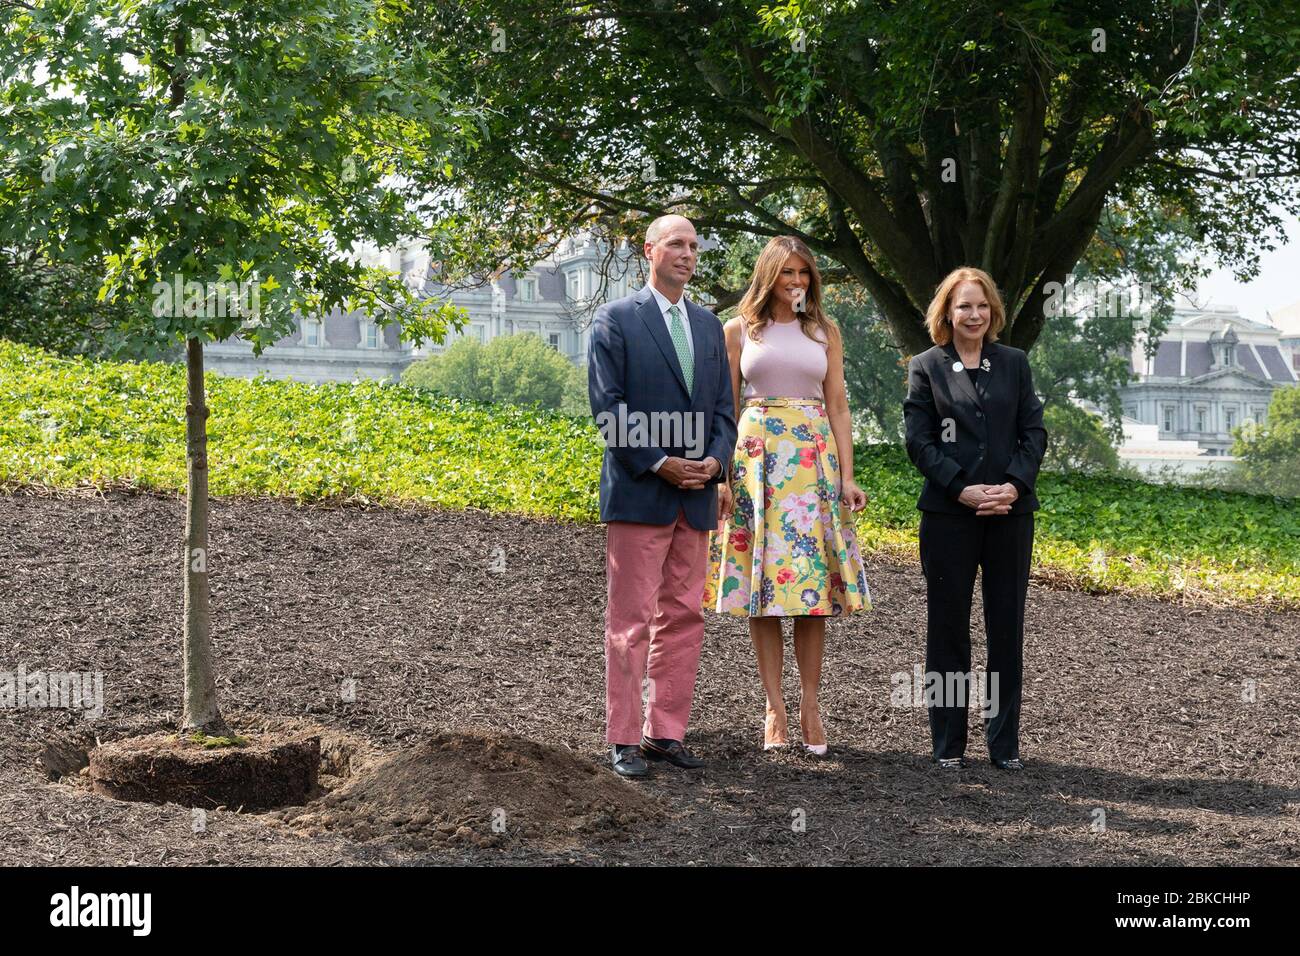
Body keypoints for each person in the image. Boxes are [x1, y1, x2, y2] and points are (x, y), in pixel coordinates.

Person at [703, 236, 871, 757]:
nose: (796, 282)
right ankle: (773, 707)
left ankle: (811, 706)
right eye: (787, 274)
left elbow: (839, 404)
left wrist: (847, 475)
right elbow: (724, 408)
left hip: (813, 468)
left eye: (804, 274)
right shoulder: (738, 331)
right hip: (757, 467)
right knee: (764, 591)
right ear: (768, 276)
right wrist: (722, 478)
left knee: (812, 593)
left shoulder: (825, 332)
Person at [587, 214, 738, 778]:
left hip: (697, 496)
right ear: (648, 251)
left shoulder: (707, 326)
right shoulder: (616, 320)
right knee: (630, 622)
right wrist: (659, 462)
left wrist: (715, 463)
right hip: (639, 493)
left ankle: (664, 733)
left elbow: (725, 410)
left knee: (683, 615)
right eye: (676, 243)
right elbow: (609, 411)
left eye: (694, 245)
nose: (688, 253)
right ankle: (624, 738)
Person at [902, 267, 1047, 771]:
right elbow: (918, 441)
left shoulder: (1015, 363)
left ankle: (1003, 745)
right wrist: (962, 489)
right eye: (964, 306)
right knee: (947, 628)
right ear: (947, 312)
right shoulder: (926, 366)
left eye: (982, 306)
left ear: (994, 312)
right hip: (949, 515)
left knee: (1006, 627)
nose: (974, 314)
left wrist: (1013, 484)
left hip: (1010, 513)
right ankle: (949, 746)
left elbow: (1034, 433)